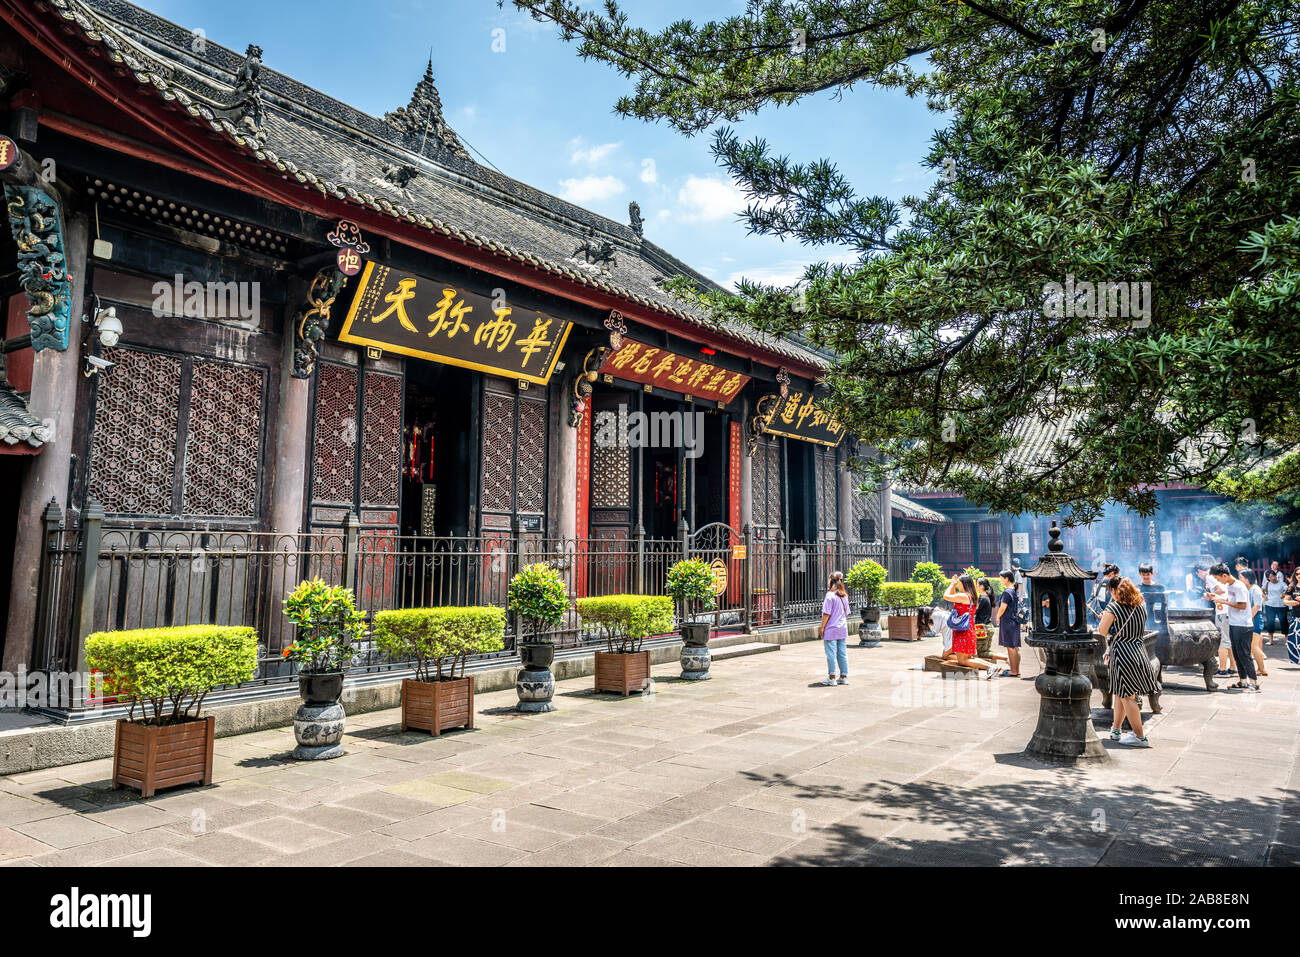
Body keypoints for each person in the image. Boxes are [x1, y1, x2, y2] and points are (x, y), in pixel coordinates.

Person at [1099, 577, 1157, 747]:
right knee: (1120, 692)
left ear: (1113, 590)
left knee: (1128, 697)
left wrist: (1107, 620)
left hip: (1123, 654)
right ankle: (1116, 729)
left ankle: (1140, 737)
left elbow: (1102, 631)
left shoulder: (1114, 607)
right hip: (1139, 651)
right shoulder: (1140, 607)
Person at [1207, 562, 1260, 692]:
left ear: (1224, 575)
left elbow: (1242, 605)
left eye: (1218, 578)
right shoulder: (1230, 586)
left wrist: (1223, 601)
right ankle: (1243, 681)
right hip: (1234, 623)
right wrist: (1217, 597)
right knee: (1237, 654)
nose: (1218, 581)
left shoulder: (1239, 586)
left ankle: (1254, 682)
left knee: (1244, 654)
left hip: (1243, 625)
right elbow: (1233, 601)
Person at [941, 574, 999, 678]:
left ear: (963, 583)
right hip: (967, 629)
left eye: (959, 582)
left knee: (963, 660)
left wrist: (951, 584)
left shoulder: (964, 596)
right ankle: (991, 666)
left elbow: (946, 596)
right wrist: (954, 586)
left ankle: (990, 668)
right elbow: (954, 598)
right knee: (967, 658)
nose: (958, 584)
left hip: (963, 632)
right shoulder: (970, 596)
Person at [817, 571, 851, 686]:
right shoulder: (844, 595)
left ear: (830, 581)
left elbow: (826, 613)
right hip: (842, 628)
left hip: (831, 628)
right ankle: (844, 676)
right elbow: (846, 613)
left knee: (831, 654)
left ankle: (832, 678)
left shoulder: (830, 595)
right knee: (842, 653)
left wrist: (822, 627)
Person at [994, 569, 1023, 677]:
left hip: (1007, 621)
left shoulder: (1007, 592)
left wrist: (997, 616)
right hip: (1014, 621)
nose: (1001, 580)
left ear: (1006, 579)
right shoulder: (1015, 590)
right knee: (1015, 647)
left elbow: (1003, 607)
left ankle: (1013, 671)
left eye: (1001, 578)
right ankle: (1016, 670)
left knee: (1010, 647)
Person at [1241, 569, 1269, 678]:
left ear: (1247, 579)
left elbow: (1257, 606)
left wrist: (1248, 619)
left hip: (1255, 618)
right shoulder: (1249, 589)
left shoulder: (1255, 589)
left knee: (1254, 646)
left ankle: (1262, 669)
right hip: (1252, 618)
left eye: (1241, 578)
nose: (1240, 580)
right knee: (1253, 646)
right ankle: (1260, 668)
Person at [1263, 568, 1289, 645]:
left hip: (1281, 606)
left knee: (1283, 622)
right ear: (1268, 578)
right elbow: (1261, 589)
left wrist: (1283, 594)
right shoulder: (1267, 584)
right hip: (1270, 605)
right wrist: (1264, 596)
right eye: (1270, 577)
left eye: (1274, 576)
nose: (1273, 578)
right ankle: (1270, 641)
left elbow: (1288, 590)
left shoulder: (1282, 583)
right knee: (1270, 623)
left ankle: (1287, 641)